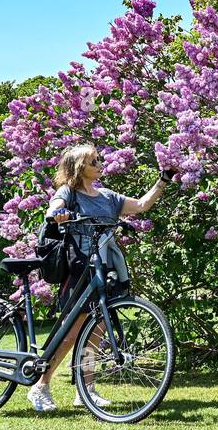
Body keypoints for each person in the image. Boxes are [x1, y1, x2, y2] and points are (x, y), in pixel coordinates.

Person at [25, 144, 171, 412]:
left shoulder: (107, 196)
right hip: (80, 267)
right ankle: (40, 386)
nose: (100, 162)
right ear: (79, 167)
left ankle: (86, 390)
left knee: (95, 334)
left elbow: (141, 205)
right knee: (70, 334)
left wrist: (164, 179)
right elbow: (55, 206)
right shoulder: (68, 192)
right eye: (94, 160)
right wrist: (57, 213)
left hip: (105, 269)